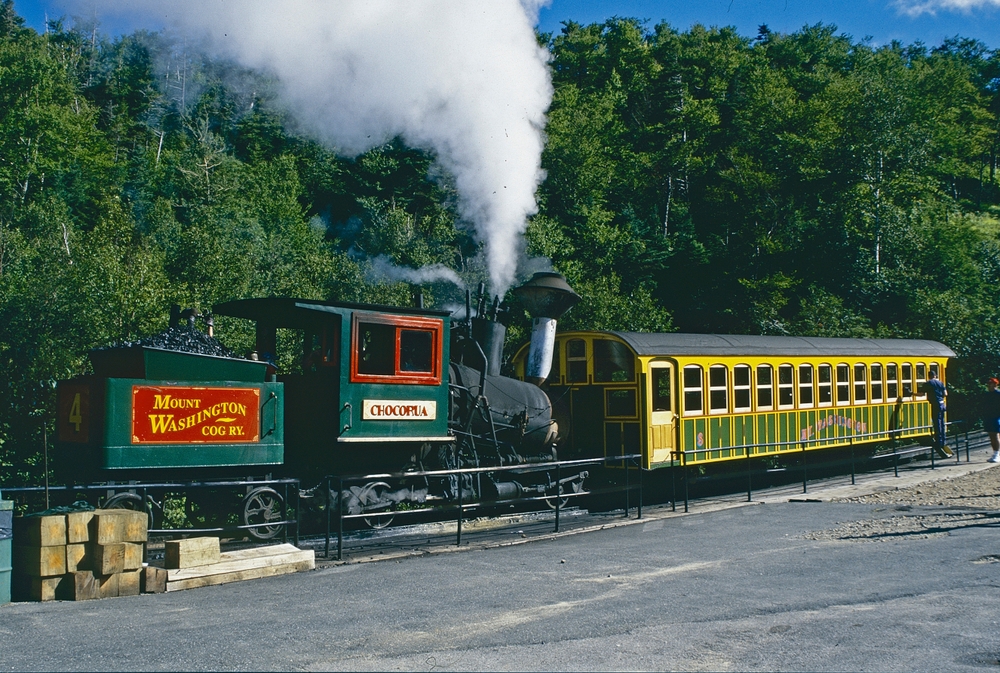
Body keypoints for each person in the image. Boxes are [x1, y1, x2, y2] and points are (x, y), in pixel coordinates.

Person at [921, 369, 951, 458]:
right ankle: (943, 441)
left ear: (929, 376)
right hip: (942, 404)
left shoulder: (928, 383)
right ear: (935, 375)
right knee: (942, 423)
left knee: (937, 423)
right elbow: (945, 393)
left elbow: (921, 394)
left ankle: (938, 442)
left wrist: (912, 393)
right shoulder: (940, 383)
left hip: (935, 405)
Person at [985, 377, 1000, 463]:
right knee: (991, 435)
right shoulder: (987, 395)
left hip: (996, 416)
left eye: (990, 384)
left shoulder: (998, 394)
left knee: (995, 435)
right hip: (989, 416)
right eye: (988, 384)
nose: (989, 385)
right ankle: (995, 453)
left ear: (995, 384)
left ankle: (997, 454)